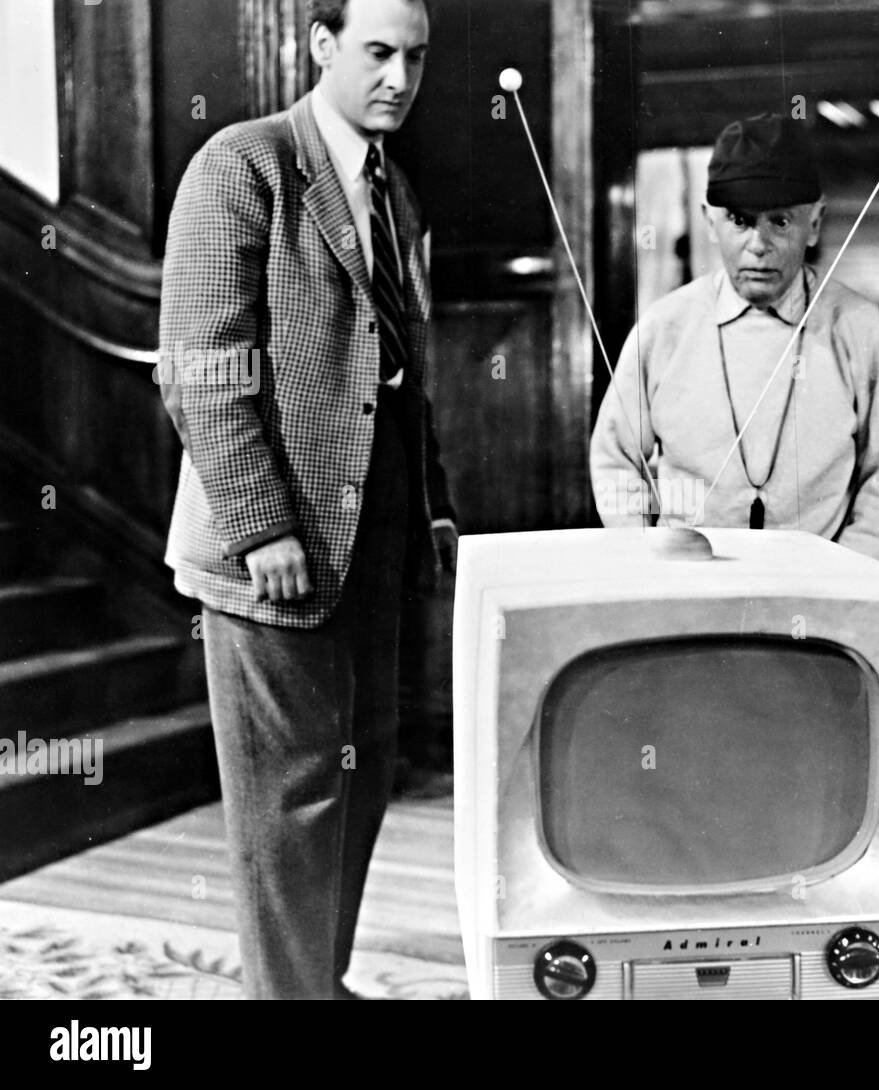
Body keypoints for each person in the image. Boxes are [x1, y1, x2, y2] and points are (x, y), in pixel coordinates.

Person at [157, 0, 456, 999]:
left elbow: (399, 372)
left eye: (414, 57)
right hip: (274, 543)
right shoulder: (242, 165)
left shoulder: (392, 191)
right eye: (376, 52)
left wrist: (435, 509)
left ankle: (311, 986)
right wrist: (262, 524)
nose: (398, 78)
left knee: (359, 778)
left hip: (370, 535)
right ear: (320, 45)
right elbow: (201, 368)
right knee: (290, 803)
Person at [590, 114, 879, 562]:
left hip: (818, 590)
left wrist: (844, 569)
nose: (758, 244)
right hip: (689, 590)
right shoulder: (665, 326)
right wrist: (652, 556)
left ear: (815, 223)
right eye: (740, 221)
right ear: (710, 222)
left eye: (780, 222)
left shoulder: (858, 328)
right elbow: (615, 457)